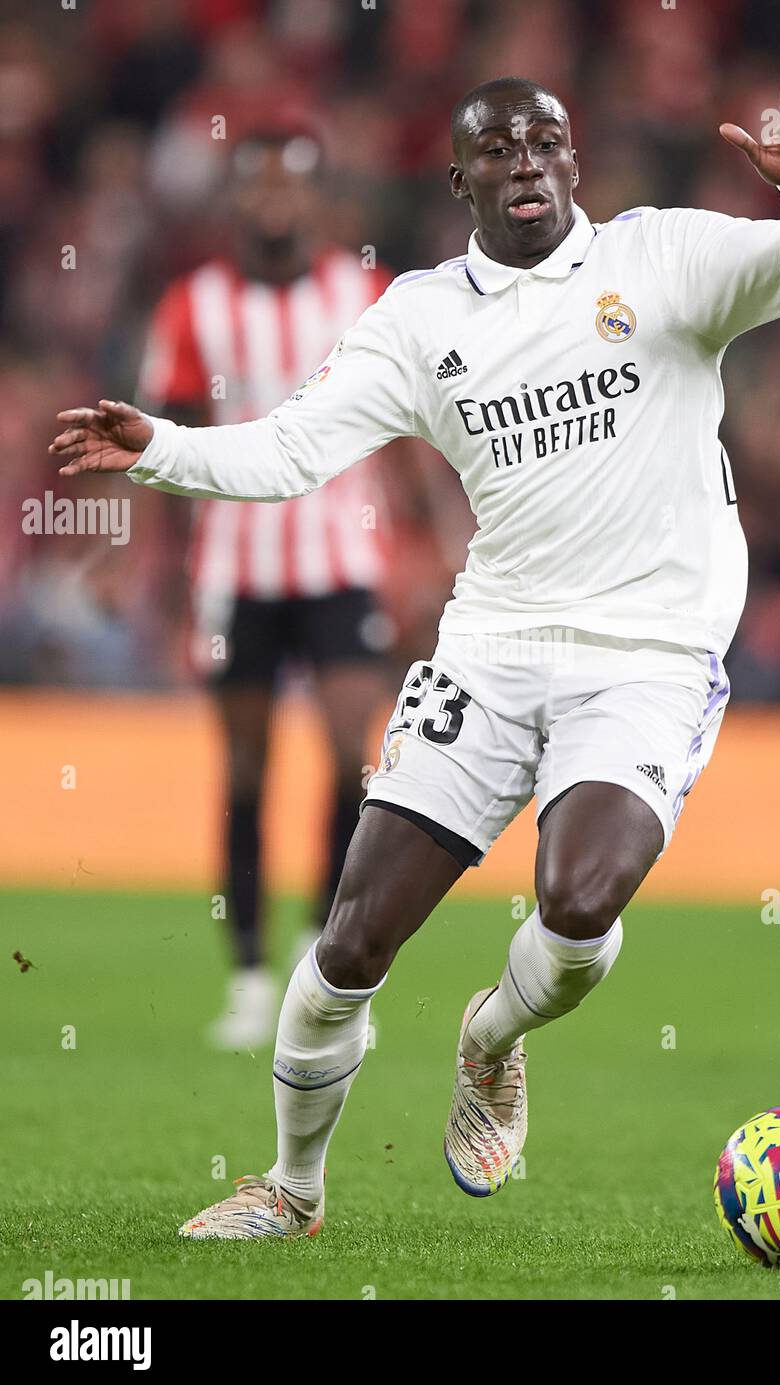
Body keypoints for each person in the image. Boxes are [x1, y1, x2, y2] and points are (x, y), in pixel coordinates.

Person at [51, 72, 780, 1238]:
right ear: (461, 178)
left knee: (578, 900)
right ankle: (291, 1189)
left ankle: (491, 1036)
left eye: (546, 140)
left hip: (646, 651)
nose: (525, 159)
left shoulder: (663, 258)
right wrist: (160, 446)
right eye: (498, 148)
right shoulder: (418, 320)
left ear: (574, 161)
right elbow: (291, 451)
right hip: (489, 648)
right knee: (350, 939)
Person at [137, 127, 396, 1048]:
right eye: (260, 184)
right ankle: (248, 975)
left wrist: (436, 534)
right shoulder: (193, 305)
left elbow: (410, 427)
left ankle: (322, 956)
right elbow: (164, 446)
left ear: (319, 199)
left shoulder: (363, 293)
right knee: (246, 773)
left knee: (351, 756)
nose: (276, 200)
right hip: (234, 566)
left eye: (293, 183)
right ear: (236, 199)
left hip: (341, 561)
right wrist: (166, 584)